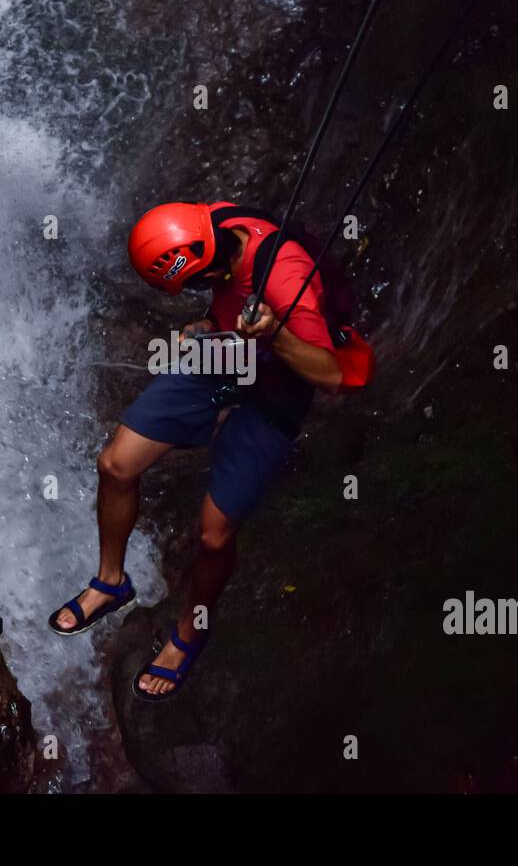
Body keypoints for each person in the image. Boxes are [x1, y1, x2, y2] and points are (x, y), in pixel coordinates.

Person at [47, 202, 342, 701]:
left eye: (197, 282)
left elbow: (331, 375)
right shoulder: (216, 224)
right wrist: (208, 323)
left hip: (278, 382)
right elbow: (224, 292)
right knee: (116, 464)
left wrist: (274, 334)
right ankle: (112, 582)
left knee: (213, 533)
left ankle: (190, 632)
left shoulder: (286, 277)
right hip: (226, 353)